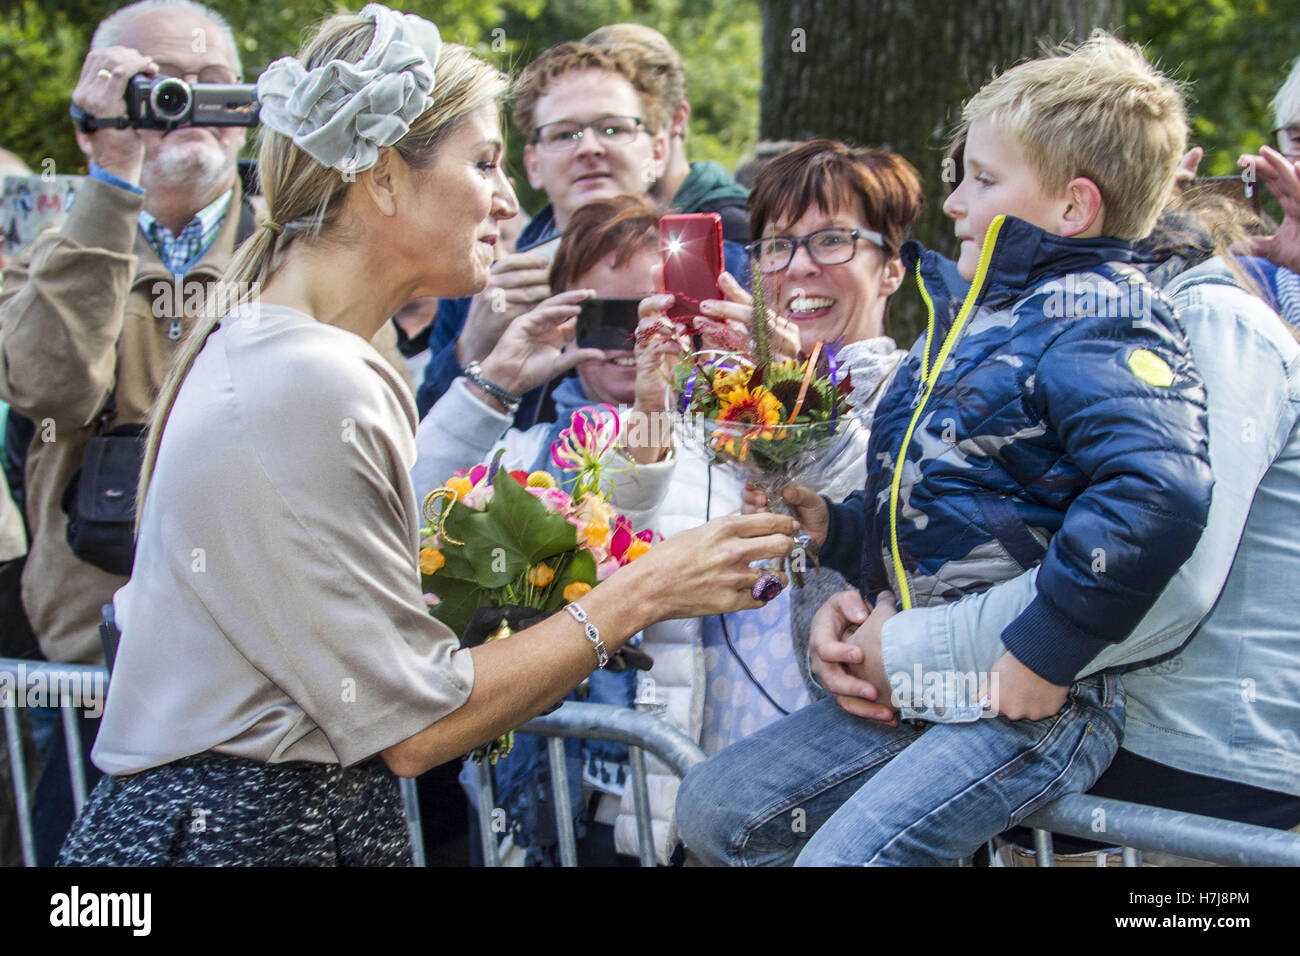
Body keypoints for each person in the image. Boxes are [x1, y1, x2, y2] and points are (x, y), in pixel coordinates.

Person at [56, 4, 794, 867]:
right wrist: (647, 590)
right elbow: (417, 723)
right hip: (246, 834)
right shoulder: (311, 373)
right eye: (483, 162)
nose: (509, 197)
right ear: (381, 179)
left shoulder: (283, 343)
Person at [675, 32, 1214, 866]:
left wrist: (1046, 650)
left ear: (1073, 207)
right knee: (716, 810)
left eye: (982, 180)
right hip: (927, 678)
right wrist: (842, 530)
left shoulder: (1100, 314)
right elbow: (947, 496)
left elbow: (1158, 494)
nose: (954, 203)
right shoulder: (965, 322)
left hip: (1034, 697)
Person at [0, 0, 266, 866]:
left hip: (265, 669)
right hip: (90, 668)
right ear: (91, 122)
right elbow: (51, 390)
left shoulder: (307, 247)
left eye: (207, 84)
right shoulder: (46, 256)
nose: (183, 105)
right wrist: (114, 186)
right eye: (155, 87)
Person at [414, 40, 749, 427]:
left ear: (657, 152)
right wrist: (472, 347)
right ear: (533, 163)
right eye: (564, 134)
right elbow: (423, 454)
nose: (589, 148)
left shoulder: (725, 270)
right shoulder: (479, 285)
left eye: (613, 128)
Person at [583, 23, 751, 244]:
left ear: (676, 118)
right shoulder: (558, 226)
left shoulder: (733, 231)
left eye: (615, 127)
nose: (591, 146)